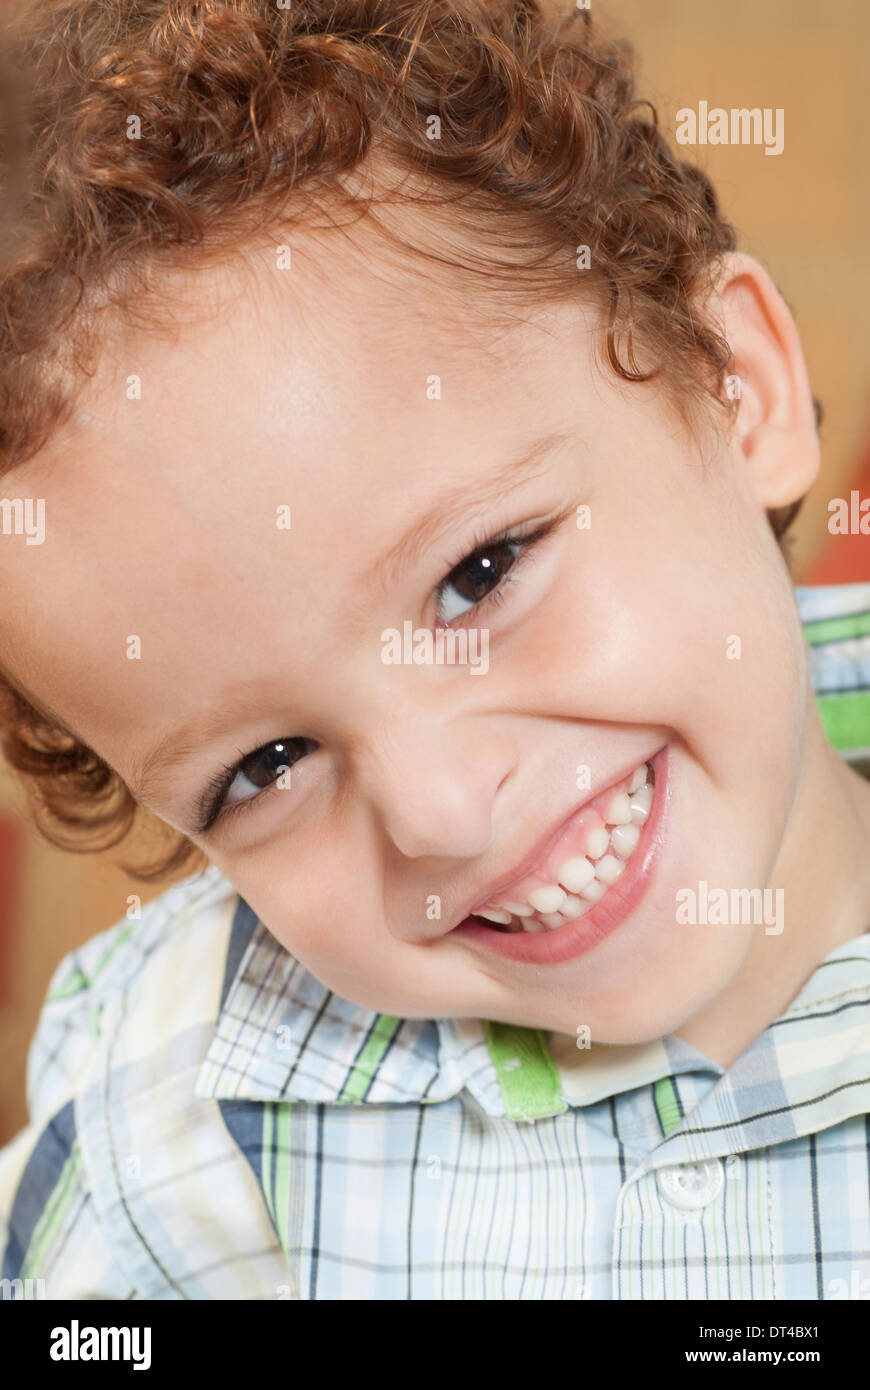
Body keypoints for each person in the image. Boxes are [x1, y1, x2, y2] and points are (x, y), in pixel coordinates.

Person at [1, 0, 869, 1299]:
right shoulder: (170, 1151)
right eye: (266, 762)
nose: (440, 809)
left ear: (734, 388)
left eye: (479, 574)